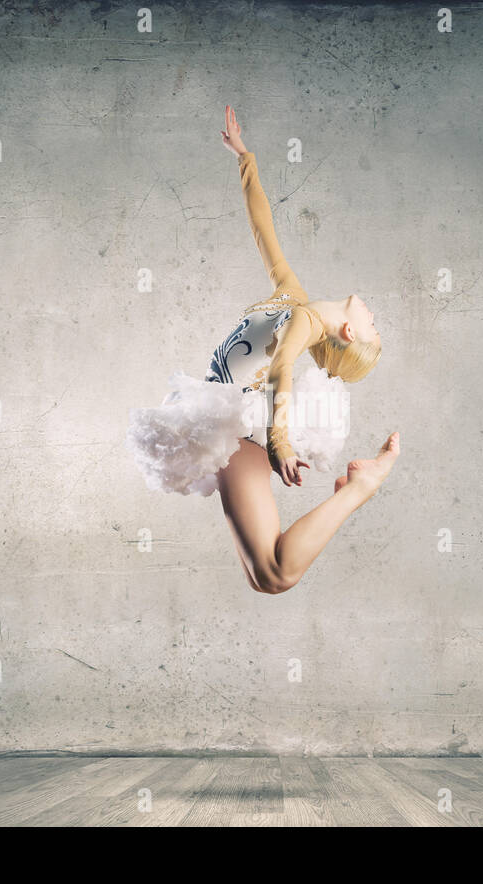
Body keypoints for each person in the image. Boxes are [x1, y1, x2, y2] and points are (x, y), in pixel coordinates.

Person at [126, 105, 400, 594]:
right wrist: (244, 159)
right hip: (231, 429)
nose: (375, 318)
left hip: (242, 432)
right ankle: (357, 489)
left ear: (348, 333)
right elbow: (262, 228)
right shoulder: (293, 297)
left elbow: (281, 371)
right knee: (264, 577)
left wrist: (280, 444)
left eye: (374, 329)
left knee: (275, 574)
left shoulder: (307, 322)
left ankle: (360, 488)